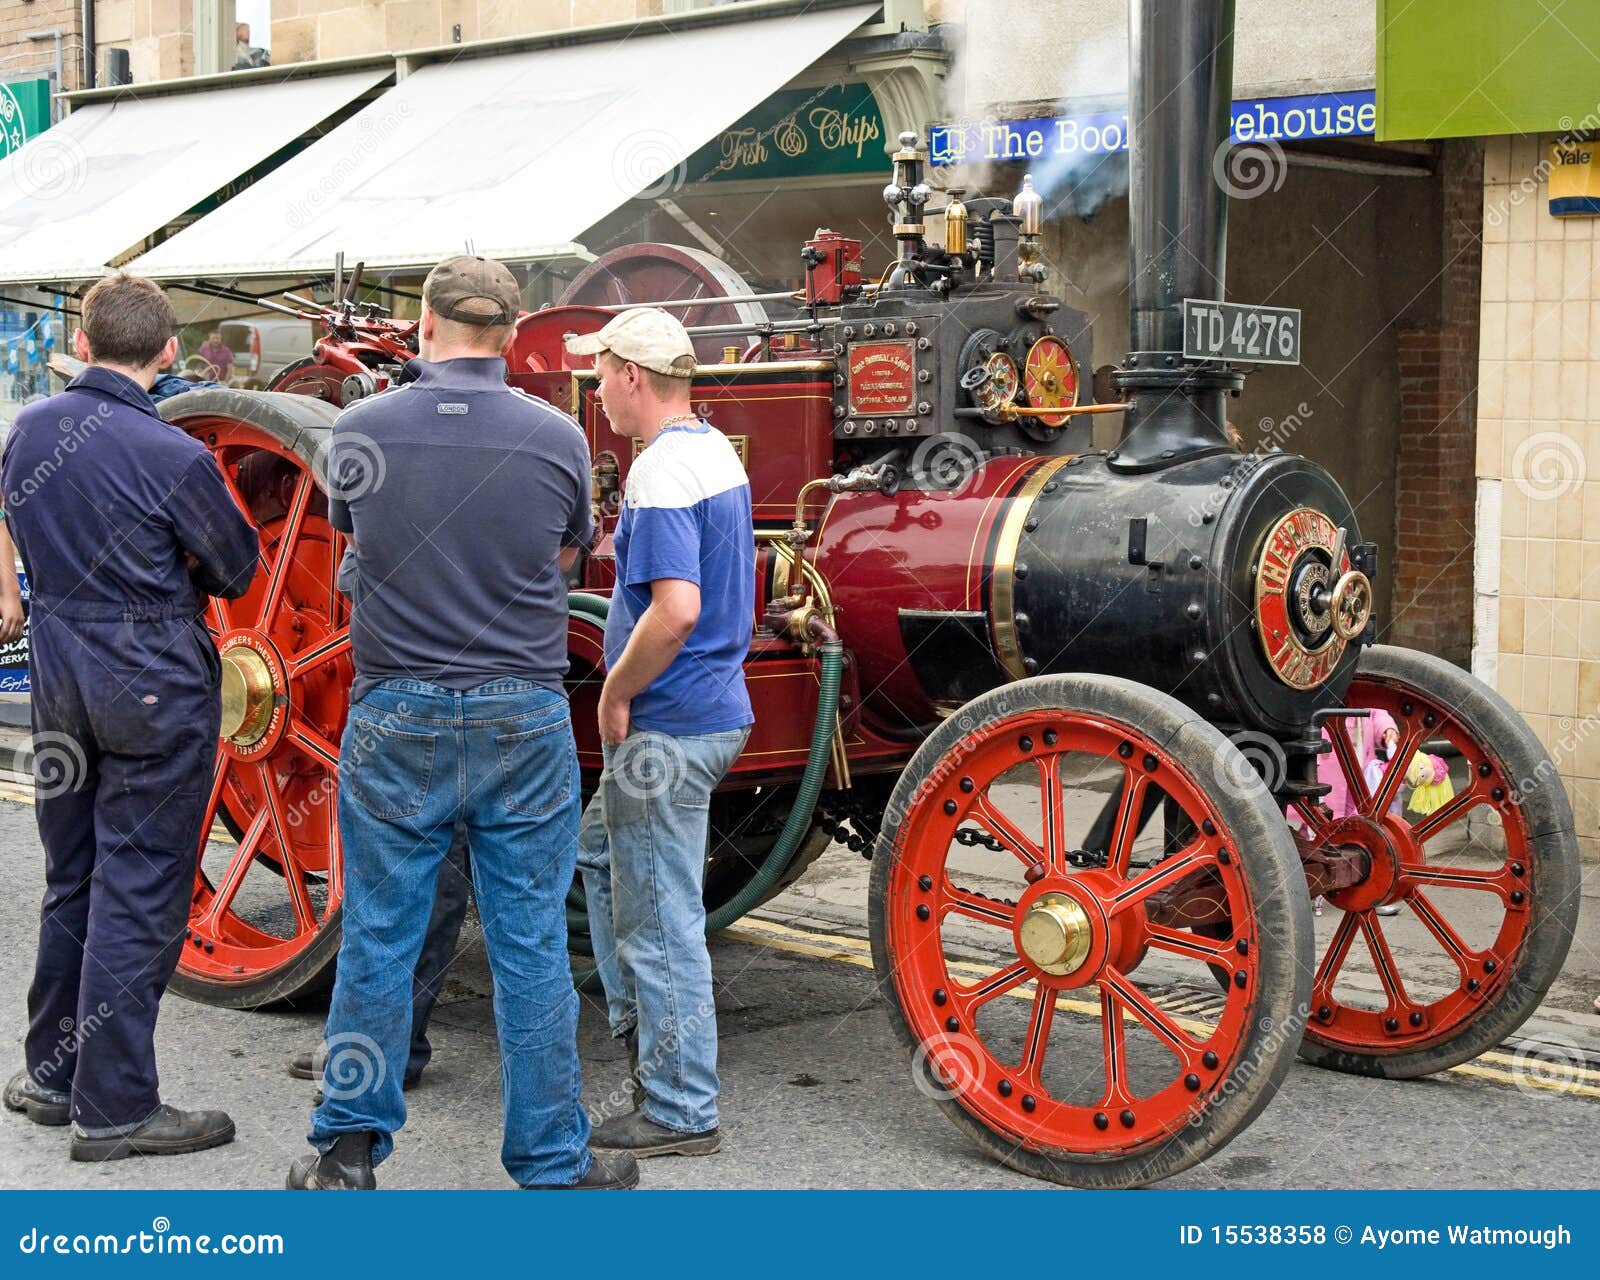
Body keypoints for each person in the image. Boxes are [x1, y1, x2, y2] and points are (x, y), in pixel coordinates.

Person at [286, 255, 632, 1191]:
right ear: (514, 337)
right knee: (528, 943)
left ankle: (348, 1150)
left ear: (428, 326)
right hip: (522, 709)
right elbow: (565, 557)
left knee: (380, 935)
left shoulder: (358, 429)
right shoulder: (558, 437)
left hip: (397, 707)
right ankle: (553, 1158)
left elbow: (352, 550)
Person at [1, 273, 258, 1159]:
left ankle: (50, 1075)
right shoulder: (171, 455)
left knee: (72, 871)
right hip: (149, 679)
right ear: (170, 351)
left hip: (59, 670)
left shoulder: (29, 428)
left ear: (82, 339)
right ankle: (113, 1107)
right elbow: (235, 570)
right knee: (142, 885)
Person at [570, 308, 754, 1158]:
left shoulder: (658, 475)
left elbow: (675, 611)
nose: (596, 389)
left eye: (602, 372)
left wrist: (615, 690)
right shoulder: (714, 450)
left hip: (667, 723)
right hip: (713, 712)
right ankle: (645, 1034)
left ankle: (679, 1106)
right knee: (603, 856)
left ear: (634, 376)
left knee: (660, 917)